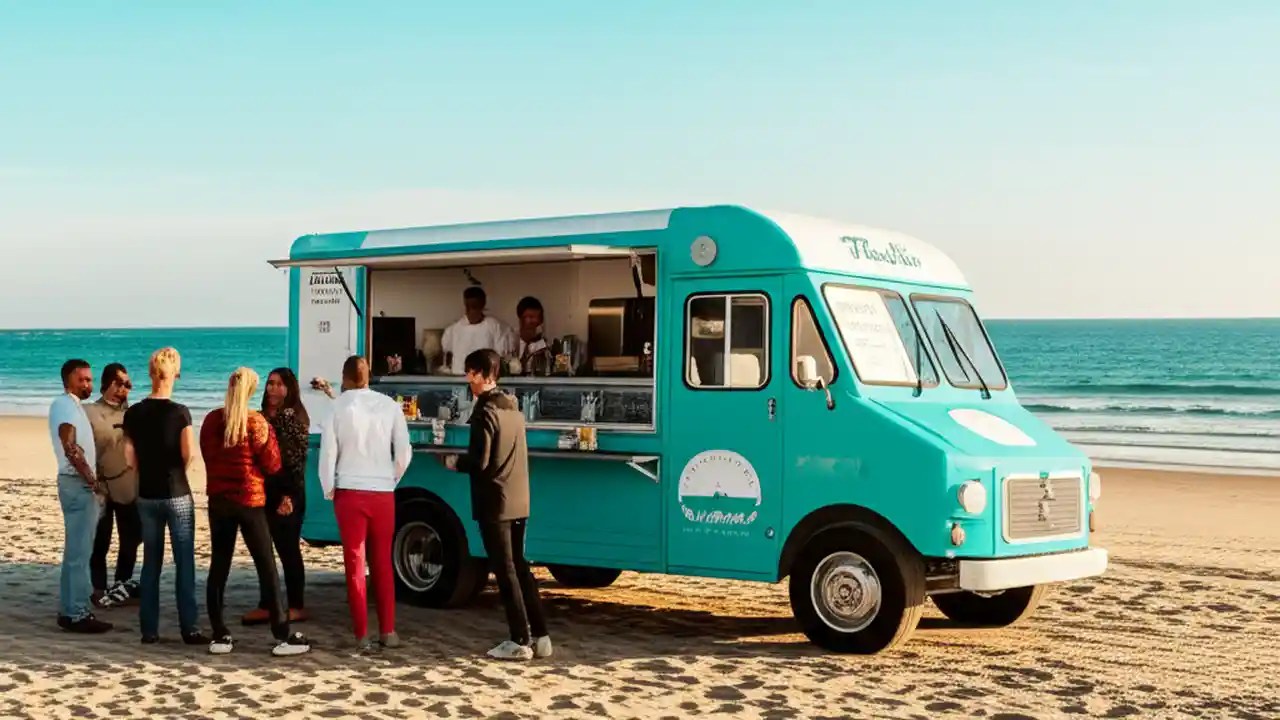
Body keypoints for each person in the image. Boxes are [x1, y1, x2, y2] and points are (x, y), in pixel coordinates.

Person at [442, 349, 551, 661]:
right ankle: (541, 636)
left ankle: (519, 638)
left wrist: (453, 462)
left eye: (468, 373)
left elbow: (481, 461)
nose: (467, 379)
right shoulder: (513, 407)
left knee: (504, 570)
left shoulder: (485, 411)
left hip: (495, 501)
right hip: (518, 497)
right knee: (520, 565)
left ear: (478, 374)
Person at [200, 368, 311, 656]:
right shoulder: (256, 423)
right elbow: (273, 464)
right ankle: (282, 635)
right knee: (266, 566)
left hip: (219, 501)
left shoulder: (212, 420)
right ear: (251, 391)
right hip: (250, 500)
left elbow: (207, 455)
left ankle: (220, 634)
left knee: (219, 566)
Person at [319, 355, 411, 653]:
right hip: (382, 492)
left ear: (344, 378)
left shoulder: (336, 407)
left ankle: (361, 634)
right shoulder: (390, 406)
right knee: (382, 563)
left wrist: (328, 487)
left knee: (355, 565)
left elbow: (328, 453)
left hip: (350, 490)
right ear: (368, 376)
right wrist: (391, 479)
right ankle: (389, 630)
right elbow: (404, 453)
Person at [123, 347, 208, 645]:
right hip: (176, 493)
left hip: (146, 494)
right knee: (184, 562)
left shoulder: (133, 412)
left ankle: (149, 630)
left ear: (150, 374)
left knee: (151, 564)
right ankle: (190, 628)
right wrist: (176, 473)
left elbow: (129, 458)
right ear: (176, 374)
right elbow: (188, 454)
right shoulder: (179, 412)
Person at [242, 367, 310, 626]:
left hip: (287, 494)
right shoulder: (260, 417)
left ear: (289, 389)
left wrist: (288, 496)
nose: (273, 389)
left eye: (280, 384)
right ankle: (267, 603)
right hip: (263, 492)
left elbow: (296, 462)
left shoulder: (294, 418)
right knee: (263, 550)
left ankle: (296, 605)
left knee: (288, 550)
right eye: (270, 384)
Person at [49, 359, 112, 633]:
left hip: (75, 482)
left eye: (89, 379)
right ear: (68, 380)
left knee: (77, 551)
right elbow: (70, 447)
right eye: (82, 379)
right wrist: (93, 481)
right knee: (79, 553)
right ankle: (76, 613)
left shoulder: (73, 405)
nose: (88, 384)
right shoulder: (65, 404)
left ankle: (70, 609)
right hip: (77, 483)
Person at [85, 362, 142, 609]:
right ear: (106, 384)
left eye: (127, 385)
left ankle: (122, 584)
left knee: (131, 540)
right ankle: (98, 588)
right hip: (101, 487)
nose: (123, 389)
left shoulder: (135, 414)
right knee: (101, 540)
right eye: (119, 383)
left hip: (131, 487)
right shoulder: (90, 412)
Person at [441, 286, 516, 375]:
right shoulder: (453, 330)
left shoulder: (496, 327)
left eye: (474, 307)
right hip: (459, 379)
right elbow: (446, 355)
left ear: (482, 305)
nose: (471, 311)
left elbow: (501, 356)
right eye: (468, 306)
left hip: (485, 380)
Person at [514, 296, 551, 373]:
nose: (535, 321)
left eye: (538, 319)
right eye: (530, 317)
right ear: (521, 319)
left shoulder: (546, 346)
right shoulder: (511, 341)